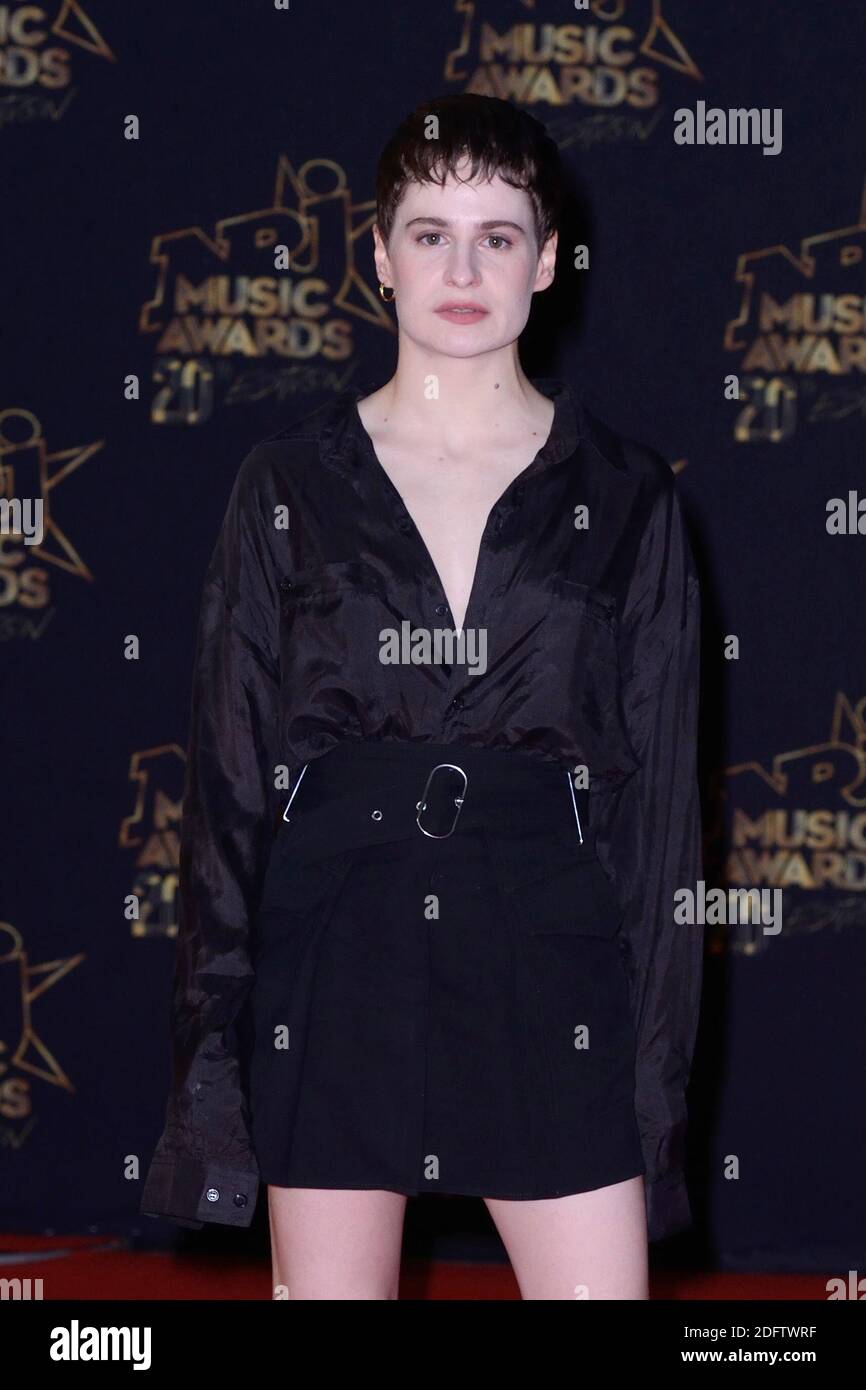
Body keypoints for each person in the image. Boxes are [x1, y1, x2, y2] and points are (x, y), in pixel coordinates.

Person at [140, 93, 703, 1301]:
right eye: (430, 232)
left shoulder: (626, 495)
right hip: (335, 956)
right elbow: (231, 792)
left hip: (548, 965)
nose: (462, 267)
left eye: (496, 235)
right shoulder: (284, 485)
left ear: (545, 259)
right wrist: (211, 1089)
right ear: (378, 254)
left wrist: (649, 1100)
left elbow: (657, 834)